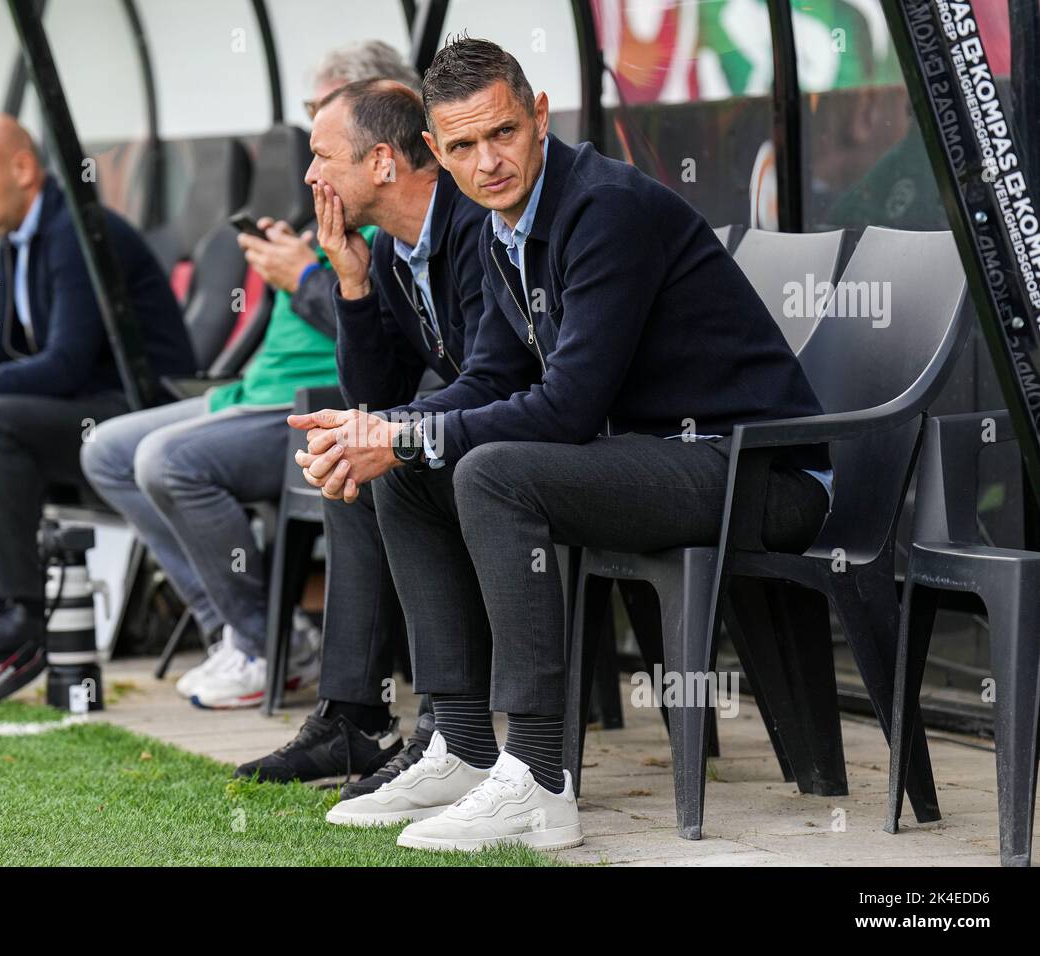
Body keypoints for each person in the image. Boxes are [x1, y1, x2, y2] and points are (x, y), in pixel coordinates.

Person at [293, 37, 833, 851]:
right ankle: (462, 746)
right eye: (465, 146)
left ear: (540, 116)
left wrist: (412, 435)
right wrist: (390, 433)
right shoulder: (498, 229)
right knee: (408, 477)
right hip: (654, 461)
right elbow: (487, 381)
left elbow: (567, 406)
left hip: (758, 469)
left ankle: (541, 777)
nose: (489, 162)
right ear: (436, 152)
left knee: (494, 474)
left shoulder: (603, 208)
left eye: (503, 132)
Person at [79, 43, 414, 710]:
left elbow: (392, 336)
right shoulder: (327, 212)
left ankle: (268, 648)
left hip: (316, 405)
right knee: (107, 450)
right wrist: (290, 270)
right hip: (252, 394)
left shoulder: (398, 215)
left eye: (323, 126)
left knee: (166, 460)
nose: (311, 152)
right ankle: (241, 630)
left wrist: (308, 278)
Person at [234, 79, 493, 793]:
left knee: (386, 454)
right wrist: (350, 282)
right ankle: (352, 718)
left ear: (383, 162)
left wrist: (392, 430)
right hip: (478, 426)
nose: (310, 177)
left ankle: (450, 728)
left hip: (531, 433)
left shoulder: (478, 224)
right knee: (351, 463)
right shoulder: (387, 250)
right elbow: (374, 393)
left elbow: (504, 381)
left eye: (323, 156)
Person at [0, 114, 194, 665]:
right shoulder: (18, 236)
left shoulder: (77, 232)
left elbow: (64, 367)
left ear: (22, 169)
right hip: (82, 407)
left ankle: (24, 610)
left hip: (138, 413)